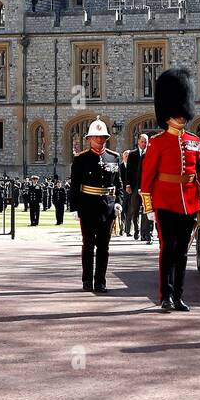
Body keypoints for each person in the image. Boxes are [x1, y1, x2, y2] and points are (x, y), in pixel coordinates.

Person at [141, 70, 200, 312]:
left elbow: (199, 175)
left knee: (182, 253)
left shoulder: (194, 141)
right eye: (176, 113)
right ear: (167, 114)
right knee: (167, 250)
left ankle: (178, 295)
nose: (181, 117)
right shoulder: (157, 142)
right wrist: (149, 207)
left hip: (189, 202)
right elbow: (147, 177)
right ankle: (165, 295)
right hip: (165, 201)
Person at [68, 119, 123, 294]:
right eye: (96, 137)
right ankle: (87, 279)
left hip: (107, 207)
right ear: (89, 138)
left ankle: (100, 281)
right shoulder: (81, 159)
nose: (100, 141)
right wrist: (75, 208)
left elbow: (119, 184)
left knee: (104, 246)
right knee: (88, 245)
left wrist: (118, 203)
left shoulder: (113, 157)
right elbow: (75, 185)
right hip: (88, 206)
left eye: (103, 138)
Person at [121, 132, 149, 241]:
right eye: (142, 142)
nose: (144, 144)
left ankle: (144, 233)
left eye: (145, 142)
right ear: (138, 142)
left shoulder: (150, 153)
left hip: (146, 186)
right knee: (135, 210)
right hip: (134, 186)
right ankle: (136, 231)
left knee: (146, 210)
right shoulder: (132, 154)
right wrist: (128, 184)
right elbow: (128, 171)